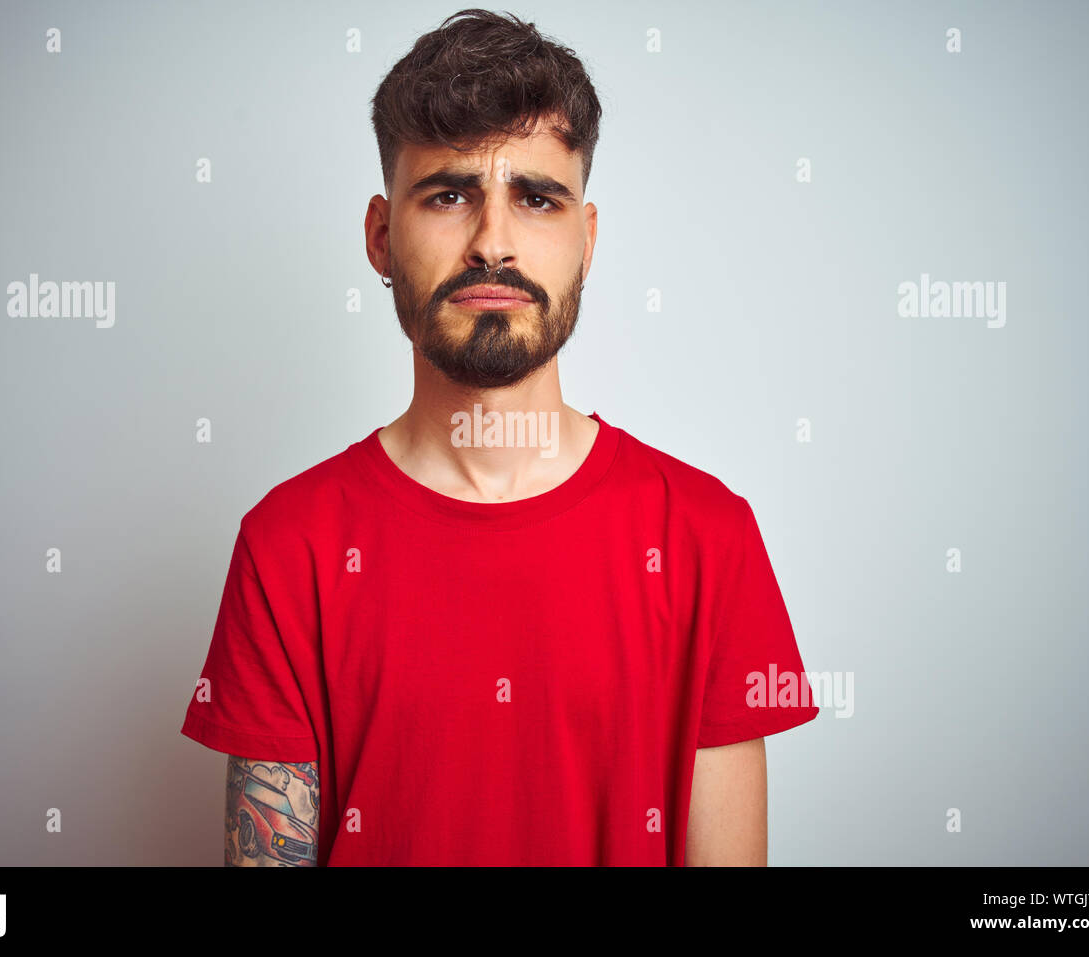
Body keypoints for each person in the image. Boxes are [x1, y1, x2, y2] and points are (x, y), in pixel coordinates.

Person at [181, 8, 819, 867]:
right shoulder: (288, 546)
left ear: (585, 241)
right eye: (449, 195)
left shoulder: (706, 537)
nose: (493, 242)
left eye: (536, 198)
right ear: (380, 236)